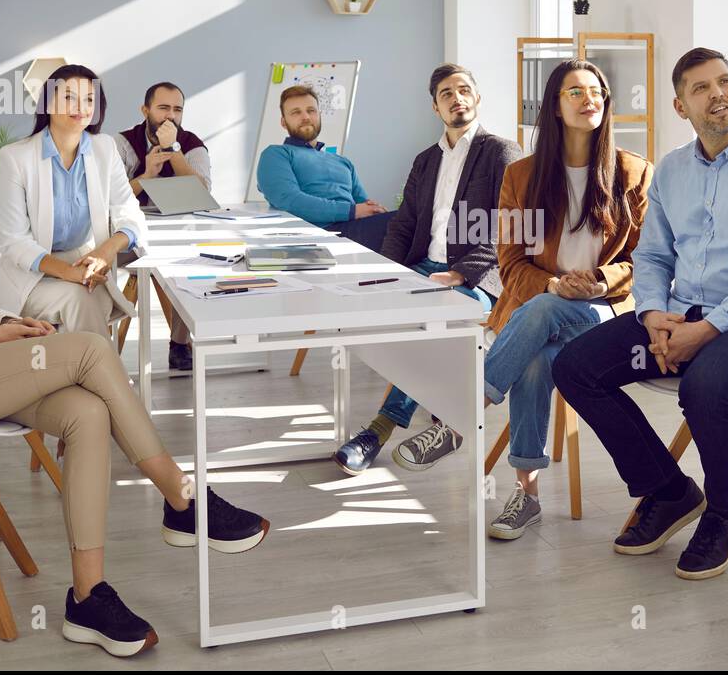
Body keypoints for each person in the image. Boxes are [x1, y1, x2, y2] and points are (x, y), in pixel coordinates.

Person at [0, 81, 269, 657]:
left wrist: (8, 321)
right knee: (90, 350)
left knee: (88, 414)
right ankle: (182, 497)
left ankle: (87, 599)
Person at [553, 47, 728, 578]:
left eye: (724, 81)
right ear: (681, 106)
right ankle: (668, 490)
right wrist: (653, 314)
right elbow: (651, 255)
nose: (717, 93)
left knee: (709, 384)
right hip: (681, 317)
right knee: (574, 368)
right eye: (701, 88)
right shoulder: (672, 169)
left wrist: (707, 330)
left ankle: (725, 514)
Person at [406, 59, 651, 541]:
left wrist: (600, 281)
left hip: (605, 314)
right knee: (538, 357)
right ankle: (528, 496)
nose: (590, 99)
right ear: (555, 108)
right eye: (575, 93)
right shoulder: (524, 176)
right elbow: (513, 262)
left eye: (596, 90)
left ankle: (461, 414)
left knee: (543, 312)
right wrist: (554, 286)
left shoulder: (633, 172)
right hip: (545, 311)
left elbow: (649, 261)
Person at [333, 64, 522, 475]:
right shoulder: (425, 161)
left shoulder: (501, 153)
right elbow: (405, 222)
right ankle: (441, 410)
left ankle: (379, 430)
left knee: (432, 321)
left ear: (476, 97)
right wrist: (385, 269)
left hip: (477, 276)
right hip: (422, 268)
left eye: (464, 90)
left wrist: (462, 273)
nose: (457, 98)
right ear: (435, 106)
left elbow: (512, 226)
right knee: (367, 315)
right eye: (447, 93)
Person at [0, 65, 141, 340]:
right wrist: (67, 273)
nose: (80, 107)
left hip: (82, 262)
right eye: (69, 96)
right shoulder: (16, 157)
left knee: (86, 295)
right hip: (31, 274)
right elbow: (14, 241)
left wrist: (106, 251)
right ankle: (101, 376)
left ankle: (89, 374)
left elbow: (129, 211)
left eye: (89, 99)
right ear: (47, 102)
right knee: (82, 298)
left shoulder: (105, 148)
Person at [115, 81, 210, 371]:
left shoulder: (192, 144)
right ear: (146, 110)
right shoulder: (121, 143)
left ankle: (180, 343)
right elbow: (110, 198)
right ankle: (100, 345)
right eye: (163, 108)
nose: (170, 116)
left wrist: (175, 151)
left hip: (177, 235)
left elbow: (204, 195)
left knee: (191, 261)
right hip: (129, 237)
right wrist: (147, 175)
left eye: (177, 109)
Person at [255, 85, 394, 252]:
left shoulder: (342, 162)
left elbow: (363, 203)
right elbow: (290, 200)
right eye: (296, 112)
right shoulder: (276, 154)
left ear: (319, 115)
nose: (305, 117)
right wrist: (351, 211)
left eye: (311, 110)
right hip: (322, 234)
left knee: (410, 219)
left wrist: (376, 210)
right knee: (406, 222)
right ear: (284, 122)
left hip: (357, 229)